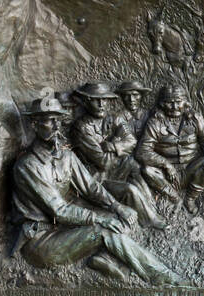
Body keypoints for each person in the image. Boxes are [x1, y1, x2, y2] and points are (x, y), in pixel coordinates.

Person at [10, 97, 183, 286]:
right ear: (35, 125)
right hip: (42, 242)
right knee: (104, 230)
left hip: (66, 229)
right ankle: (163, 277)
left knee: (119, 221)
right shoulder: (27, 166)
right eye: (50, 120)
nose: (56, 126)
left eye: (58, 120)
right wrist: (100, 218)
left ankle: (107, 261)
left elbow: (91, 187)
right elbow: (59, 210)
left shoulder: (66, 156)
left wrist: (117, 207)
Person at [69, 80, 162, 229]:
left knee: (133, 165)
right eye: (96, 100)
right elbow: (103, 162)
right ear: (87, 101)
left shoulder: (113, 118)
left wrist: (113, 144)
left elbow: (131, 141)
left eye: (104, 99)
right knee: (129, 189)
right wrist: (119, 143)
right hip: (97, 181)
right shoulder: (82, 128)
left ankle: (151, 207)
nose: (101, 104)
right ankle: (148, 220)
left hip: (114, 170)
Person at [134, 84, 204, 213]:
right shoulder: (155, 123)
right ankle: (174, 197)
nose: (174, 107)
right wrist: (166, 165)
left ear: (185, 102)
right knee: (147, 170)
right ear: (162, 104)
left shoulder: (195, 118)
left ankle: (190, 198)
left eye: (178, 102)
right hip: (166, 176)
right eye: (169, 103)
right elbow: (142, 151)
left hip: (191, 169)